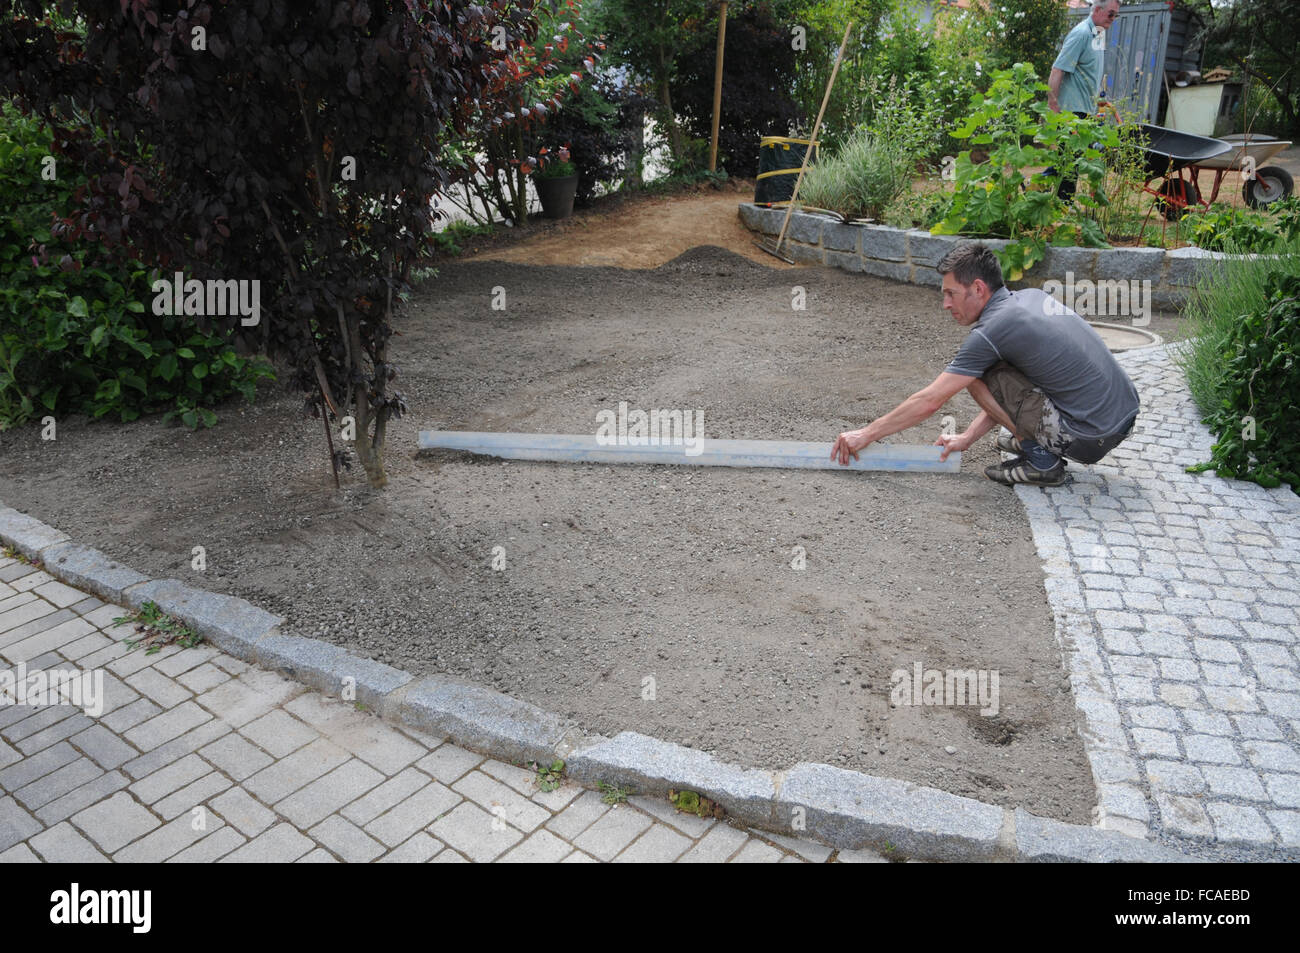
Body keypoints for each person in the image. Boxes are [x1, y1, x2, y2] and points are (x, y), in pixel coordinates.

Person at [830, 242, 1139, 487]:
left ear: (978, 289)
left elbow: (931, 400)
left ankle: (1043, 463)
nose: (946, 304)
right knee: (987, 371)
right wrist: (966, 439)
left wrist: (866, 435)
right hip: (1116, 420)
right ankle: (1037, 440)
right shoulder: (1027, 298)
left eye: (951, 294)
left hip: (1088, 436)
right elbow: (1009, 390)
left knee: (975, 376)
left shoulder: (992, 330)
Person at [1044, 0, 1121, 199]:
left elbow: (1091, 70)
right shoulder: (1081, 34)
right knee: (1070, 161)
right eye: (1110, 14)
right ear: (1097, 10)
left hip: (1086, 108)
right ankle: (1062, 204)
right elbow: (1057, 69)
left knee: (1070, 159)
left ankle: (1038, 188)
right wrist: (1053, 105)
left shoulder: (1098, 34)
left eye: (1116, 16)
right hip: (1071, 109)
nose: (1113, 20)